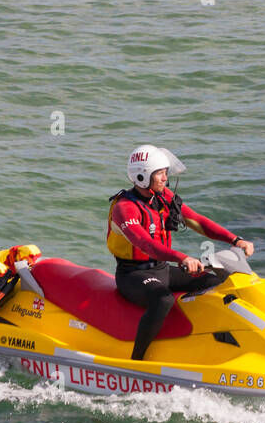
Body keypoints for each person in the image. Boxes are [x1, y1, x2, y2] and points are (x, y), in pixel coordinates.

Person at [108, 144, 254, 360]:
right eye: (159, 173)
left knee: (214, 283)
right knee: (163, 299)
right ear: (142, 176)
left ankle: (208, 343)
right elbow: (144, 244)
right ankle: (137, 359)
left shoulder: (164, 197)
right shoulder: (125, 208)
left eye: (166, 172)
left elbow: (197, 221)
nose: (165, 178)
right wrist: (182, 257)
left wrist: (234, 239)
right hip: (133, 275)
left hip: (162, 269)